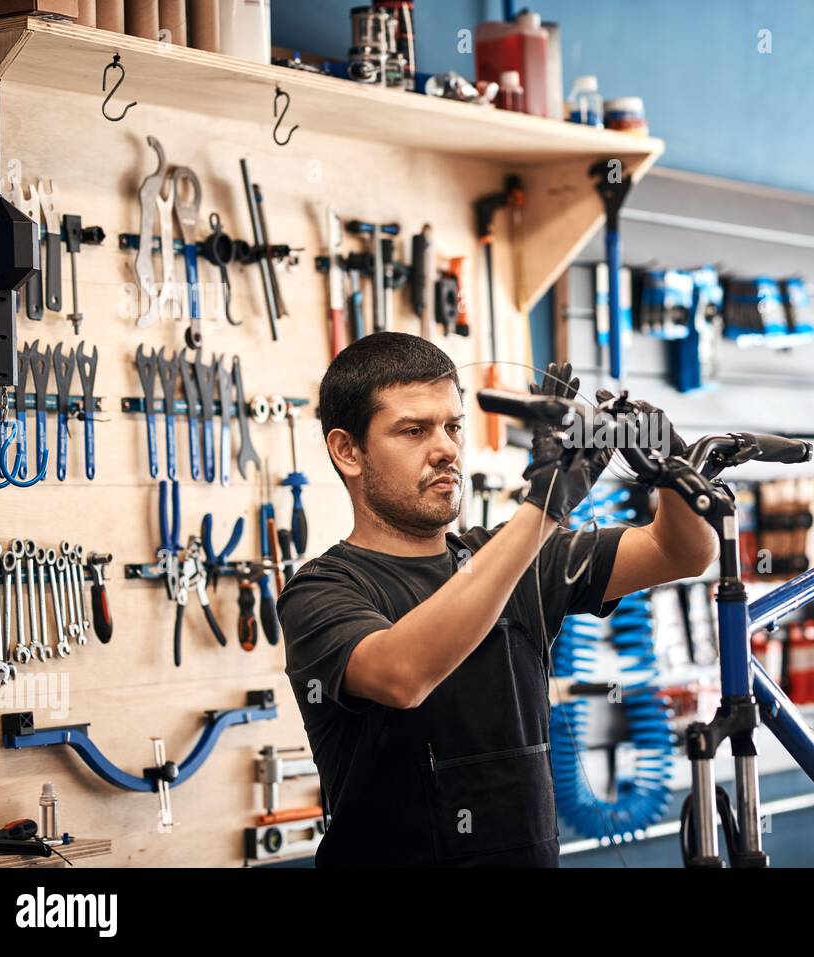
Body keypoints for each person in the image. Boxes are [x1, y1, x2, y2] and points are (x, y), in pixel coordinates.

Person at [278, 332, 717, 866]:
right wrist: (545, 508)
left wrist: (671, 471)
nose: (445, 449)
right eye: (413, 431)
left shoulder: (517, 554)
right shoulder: (322, 590)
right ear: (348, 451)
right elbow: (402, 675)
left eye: (453, 426)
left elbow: (680, 553)